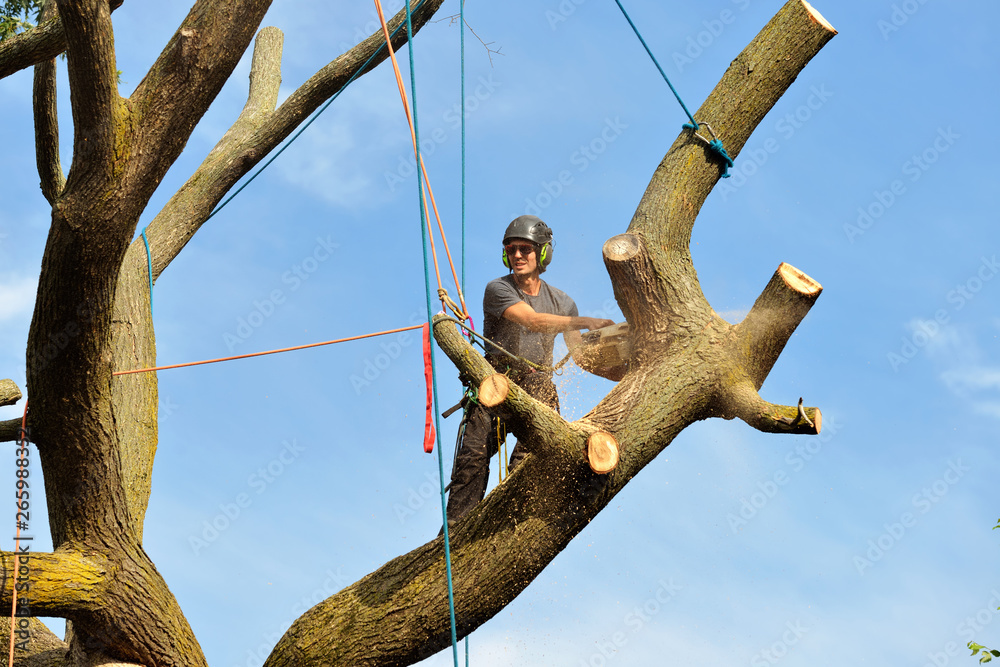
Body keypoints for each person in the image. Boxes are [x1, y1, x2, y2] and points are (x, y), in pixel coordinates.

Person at [445, 215, 615, 524]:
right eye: (512, 250)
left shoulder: (563, 302)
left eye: (525, 249)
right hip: (494, 387)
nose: (518, 256)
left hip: (536, 388)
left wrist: (618, 366)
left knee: (533, 459)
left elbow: (581, 357)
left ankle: (519, 516)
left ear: (543, 253)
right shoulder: (498, 289)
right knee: (471, 463)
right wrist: (584, 321)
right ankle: (455, 533)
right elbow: (531, 320)